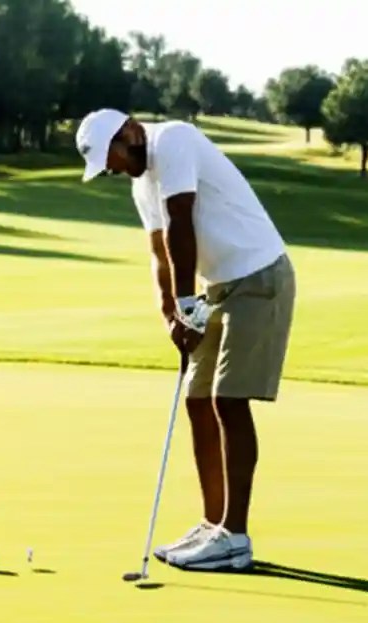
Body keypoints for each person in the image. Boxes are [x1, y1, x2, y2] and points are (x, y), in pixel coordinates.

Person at [75, 108, 296, 572]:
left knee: (228, 400)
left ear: (129, 132)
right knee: (197, 400)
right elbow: (159, 251)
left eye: (112, 159)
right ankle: (213, 523)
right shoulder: (142, 184)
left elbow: (181, 221)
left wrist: (187, 300)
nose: (114, 170)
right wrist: (170, 313)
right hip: (218, 287)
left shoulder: (174, 139)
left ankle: (234, 536)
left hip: (258, 275)